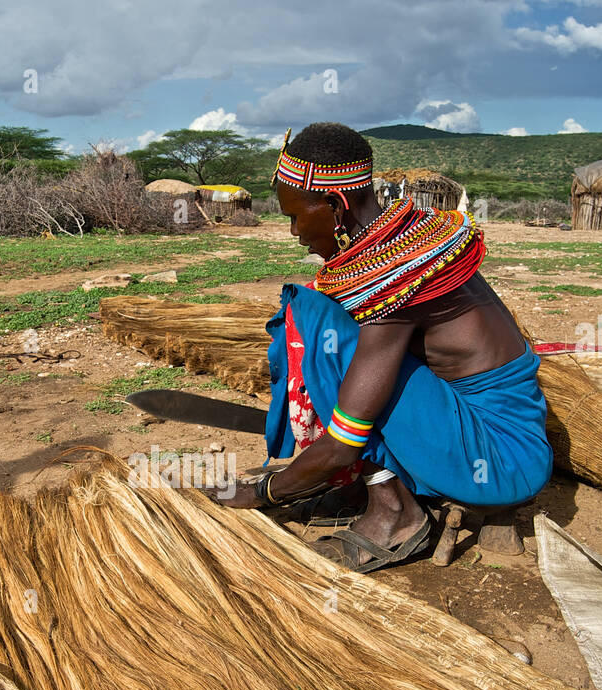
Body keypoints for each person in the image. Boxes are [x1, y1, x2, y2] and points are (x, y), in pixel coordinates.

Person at [219, 122, 553, 570]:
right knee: (329, 323)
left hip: (499, 457)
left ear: (336, 206)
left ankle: (395, 515)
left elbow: (343, 441)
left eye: (296, 216)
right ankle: (367, 487)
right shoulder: (408, 238)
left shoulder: (391, 280)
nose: (295, 232)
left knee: (317, 323)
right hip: (501, 433)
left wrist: (263, 493)